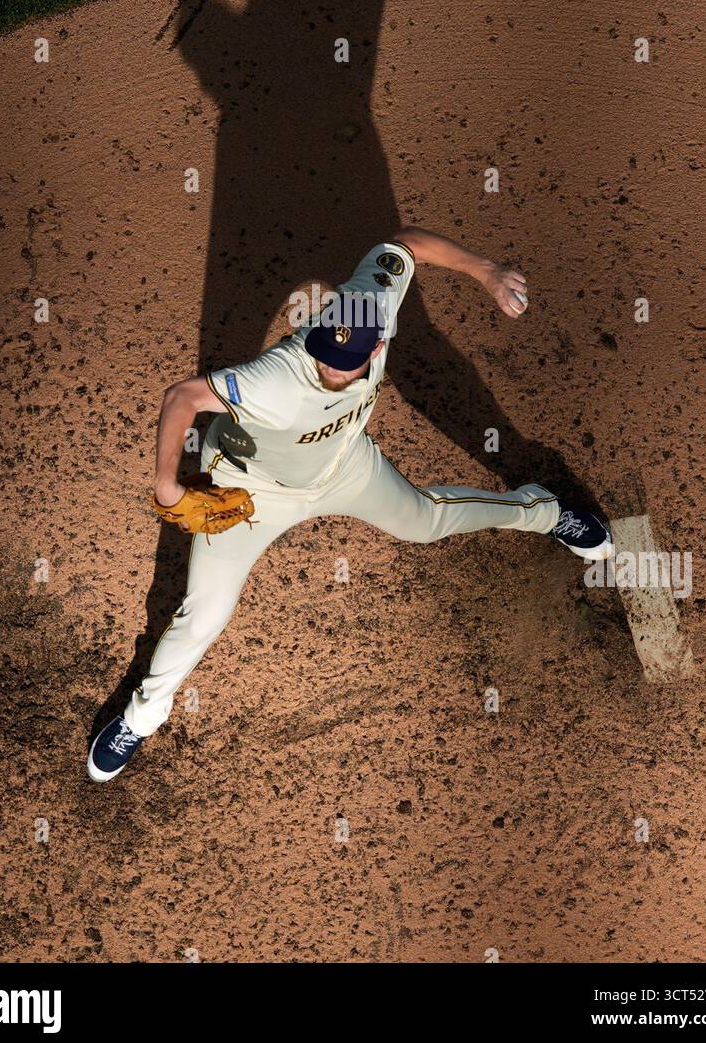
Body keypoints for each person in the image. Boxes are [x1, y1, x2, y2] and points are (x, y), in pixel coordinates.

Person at [88, 228, 612, 781]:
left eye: (347, 364)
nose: (332, 371)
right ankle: (140, 718)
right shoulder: (276, 381)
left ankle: (545, 510)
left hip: (344, 466)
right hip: (253, 492)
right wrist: (168, 487)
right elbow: (183, 397)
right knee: (204, 616)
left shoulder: (374, 303)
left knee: (426, 523)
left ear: (377, 344)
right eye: (326, 358)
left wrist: (486, 271)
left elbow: (405, 245)